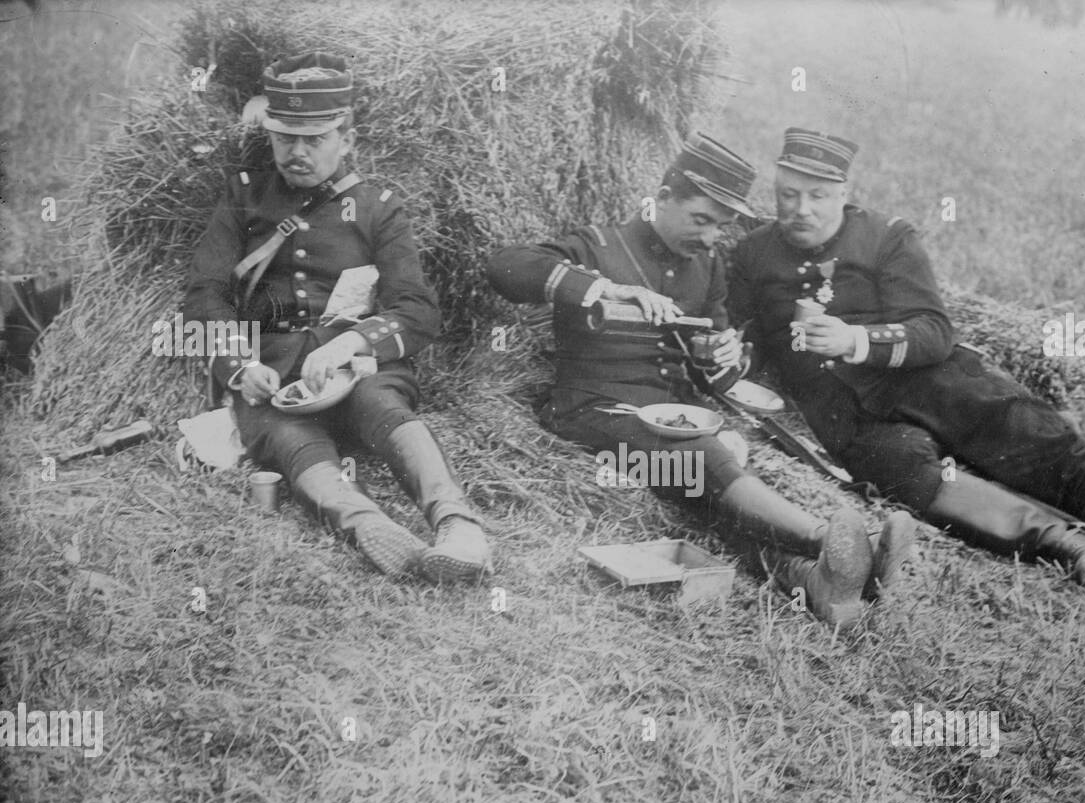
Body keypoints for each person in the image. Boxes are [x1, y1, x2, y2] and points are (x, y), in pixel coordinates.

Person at [728, 127, 1085, 604]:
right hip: (843, 409)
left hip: (930, 377)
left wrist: (856, 340)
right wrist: (736, 350)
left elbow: (933, 331)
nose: (801, 210)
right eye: (788, 195)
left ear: (843, 192)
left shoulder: (887, 237)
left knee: (1040, 439)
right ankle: (1064, 542)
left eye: (817, 196)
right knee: (906, 476)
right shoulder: (752, 254)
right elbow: (739, 331)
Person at [486, 132, 913, 628]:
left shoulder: (705, 266)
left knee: (707, 494)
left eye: (722, 226)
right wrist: (600, 288)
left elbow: (714, 358)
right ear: (663, 200)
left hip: (671, 421)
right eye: (701, 220)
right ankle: (827, 539)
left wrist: (724, 354)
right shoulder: (597, 246)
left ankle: (818, 583)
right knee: (704, 460)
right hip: (593, 415)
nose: (711, 238)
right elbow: (505, 266)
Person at [184, 52, 489, 583]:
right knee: (283, 433)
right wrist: (238, 366)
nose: (296, 152)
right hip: (273, 371)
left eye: (314, 139)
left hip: (359, 365)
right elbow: (203, 294)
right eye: (285, 138)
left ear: (347, 139)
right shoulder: (244, 196)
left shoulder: (378, 208)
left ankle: (458, 526)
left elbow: (417, 310)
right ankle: (368, 526)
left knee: (380, 402)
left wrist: (351, 345)